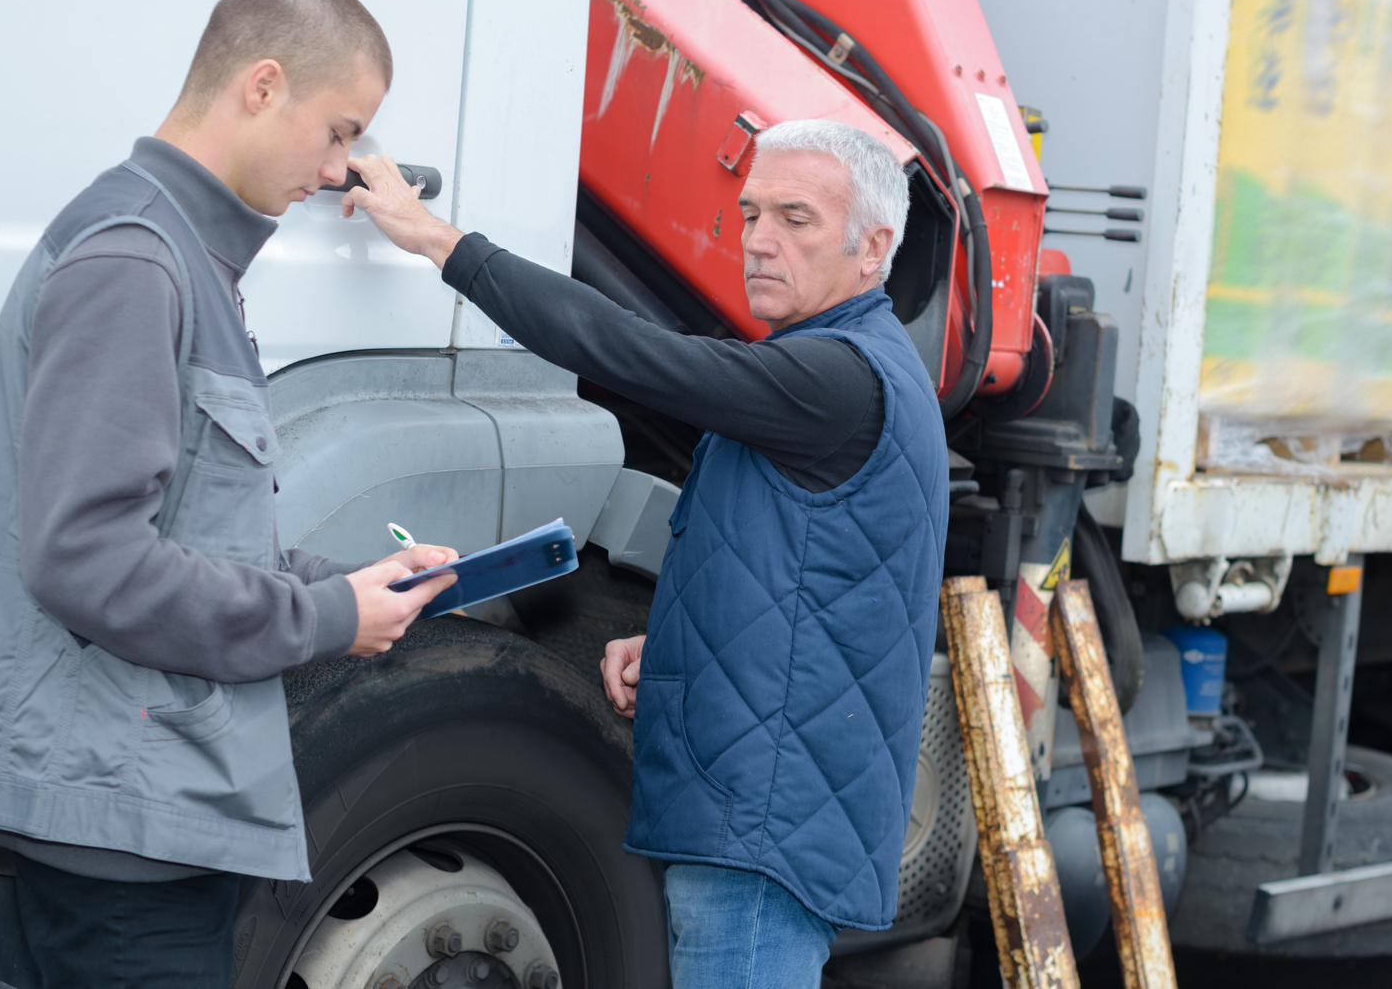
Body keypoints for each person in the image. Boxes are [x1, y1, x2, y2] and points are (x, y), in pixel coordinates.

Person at [0, 0, 458, 988]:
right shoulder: (137, 261)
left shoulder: (178, 256)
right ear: (261, 85)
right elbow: (87, 559)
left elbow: (194, 535)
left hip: (140, 815)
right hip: (122, 840)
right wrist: (323, 620)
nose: (345, 168)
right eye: (339, 131)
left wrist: (346, 585)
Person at [347, 118, 950, 988]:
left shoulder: (838, 379)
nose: (759, 241)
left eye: (796, 218)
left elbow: (633, 350)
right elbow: (804, 571)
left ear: (874, 246)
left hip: (762, 823)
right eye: (750, 215)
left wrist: (442, 243)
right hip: (768, 808)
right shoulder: (854, 370)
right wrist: (675, 644)